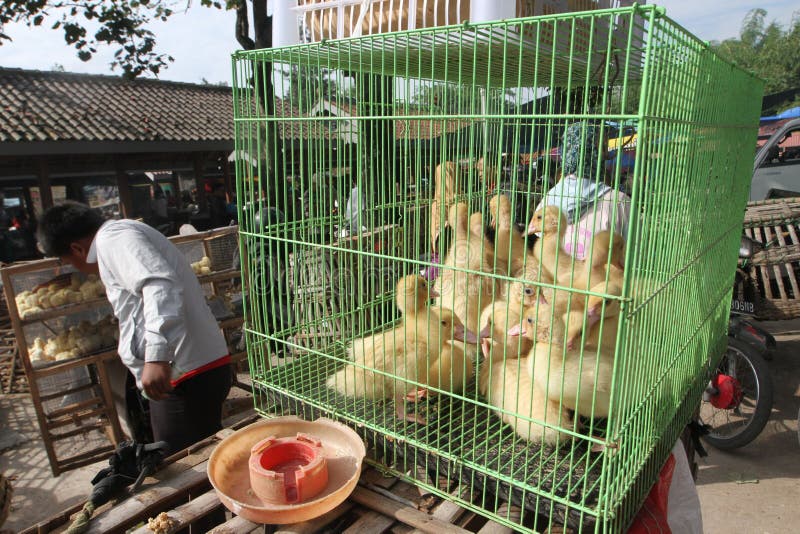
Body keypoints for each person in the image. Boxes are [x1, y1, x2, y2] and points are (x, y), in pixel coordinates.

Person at [36, 201, 231, 455]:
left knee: (186, 465)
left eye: (69, 261)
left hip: (184, 374)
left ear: (76, 248)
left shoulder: (114, 240)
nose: (76, 268)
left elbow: (159, 285)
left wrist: (156, 356)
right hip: (186, 372)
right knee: (200, 456)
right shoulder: (117, 237)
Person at [535, 86, 631, 259]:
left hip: (558, 281)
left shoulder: (549, 199)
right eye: (603, 148)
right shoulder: (620, 201)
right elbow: (631, 253)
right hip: (602, 283)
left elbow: (541, 247)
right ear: (597, 154)